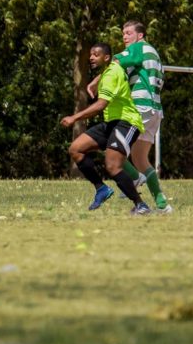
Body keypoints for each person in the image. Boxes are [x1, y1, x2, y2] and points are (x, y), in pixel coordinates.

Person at [88, 21, 171, 213]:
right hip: (155, 109)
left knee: (111, 145)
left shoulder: (139, 48)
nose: (124, 37)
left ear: (140, 36)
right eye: (123, 34)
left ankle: (134, 178)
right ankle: (162, 205)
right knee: (141, 159)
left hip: (140, 107)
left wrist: (95, 80)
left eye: (128, 33)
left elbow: (114, 63)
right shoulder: (154, 53)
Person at [62, 43, 151, 215]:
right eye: (91, 55)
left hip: (127, 122)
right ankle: (101, 189)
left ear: (107, 58)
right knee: (76, 149)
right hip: (111, 123)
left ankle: (141, 205)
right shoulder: (107, 72)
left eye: (96, 54)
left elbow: (101, 105)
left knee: (112, 166)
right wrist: (95, 81)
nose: (91, 57)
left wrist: (74, 117)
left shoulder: (112, 73)